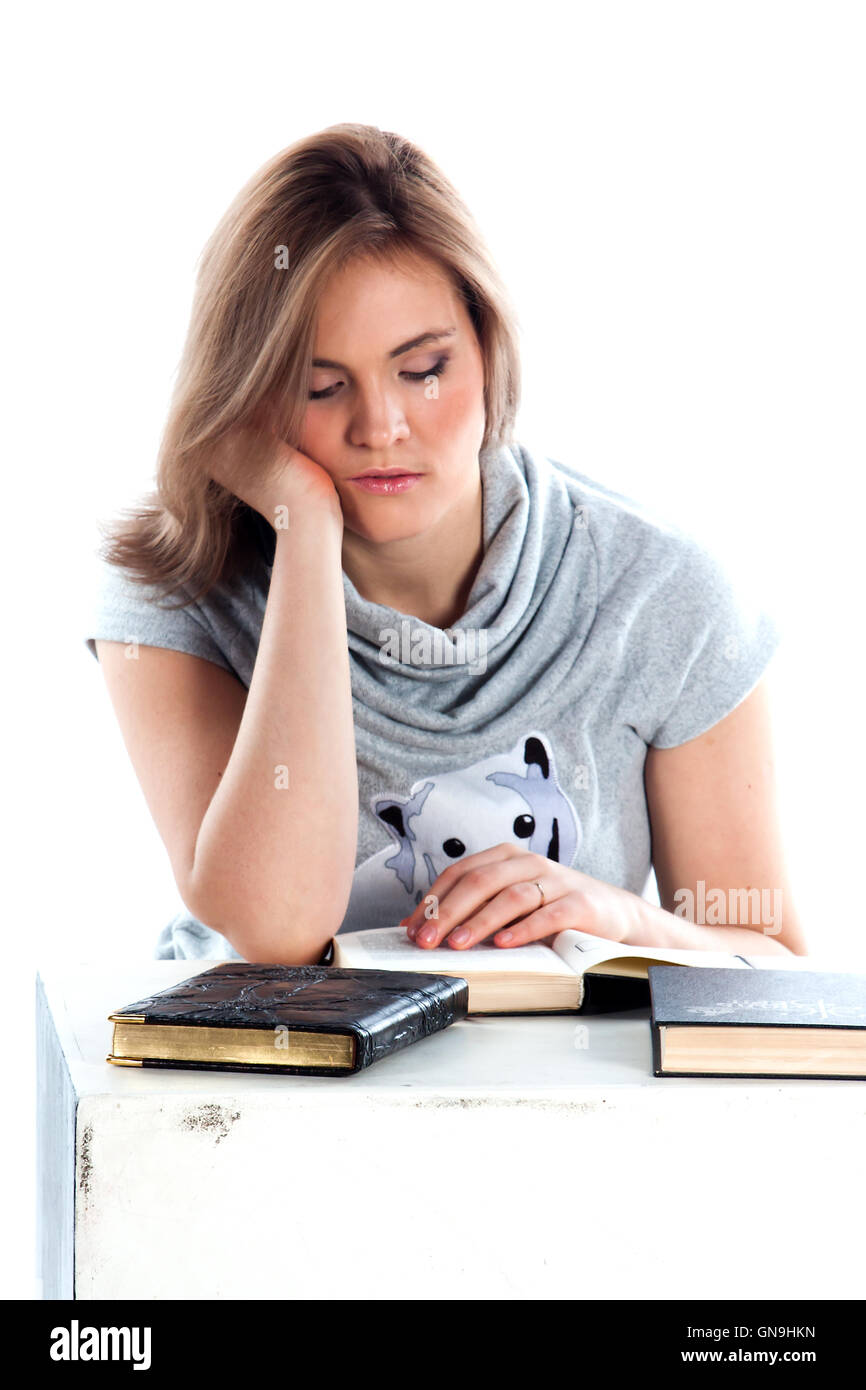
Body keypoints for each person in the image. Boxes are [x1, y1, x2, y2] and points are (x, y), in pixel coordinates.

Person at [83, 122, 807, 966]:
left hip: (559, 1094)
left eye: (422, 369)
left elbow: (774, 972)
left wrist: (617, 917)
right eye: (319, 387)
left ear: (489, 350)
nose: (380, 427)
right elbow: (277, 928)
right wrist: (303, 525)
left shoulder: (662, 592)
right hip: (259, 1093)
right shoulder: (173, 591)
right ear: (246, 400)